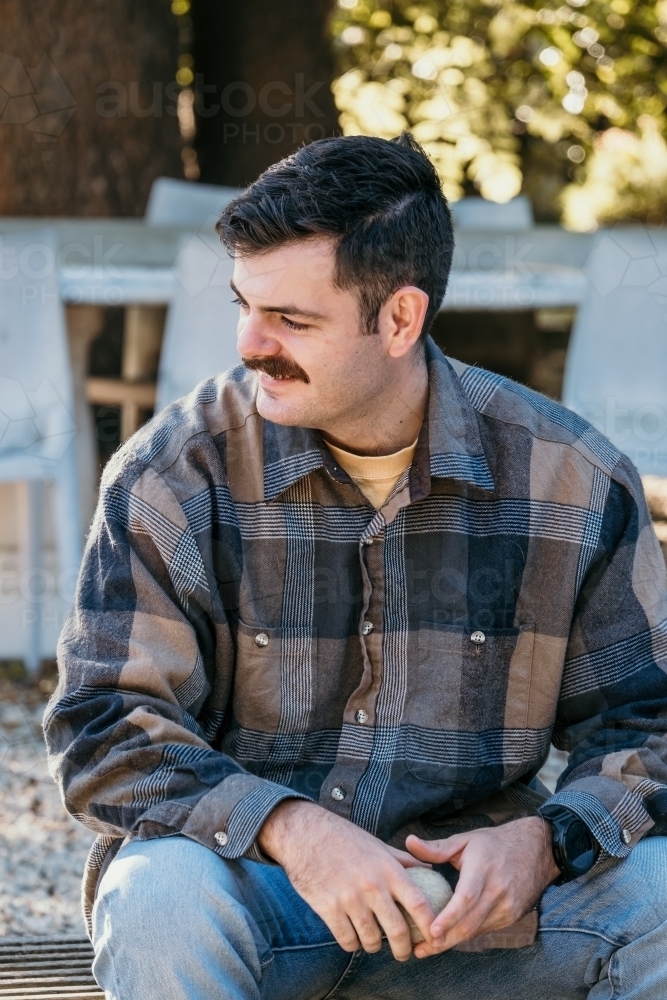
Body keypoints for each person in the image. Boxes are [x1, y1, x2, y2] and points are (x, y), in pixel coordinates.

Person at [45, 134, 667, 1000]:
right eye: (244, 304)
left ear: (400, 319)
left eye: (292, 321)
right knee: (156, 899)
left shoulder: (571, 476)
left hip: (480, 919)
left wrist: (548, 839)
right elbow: (103, 725)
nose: (250, 344)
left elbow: (649, 720)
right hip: (261, 903)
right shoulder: (173, 473)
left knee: (661, 895)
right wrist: (292, 830)